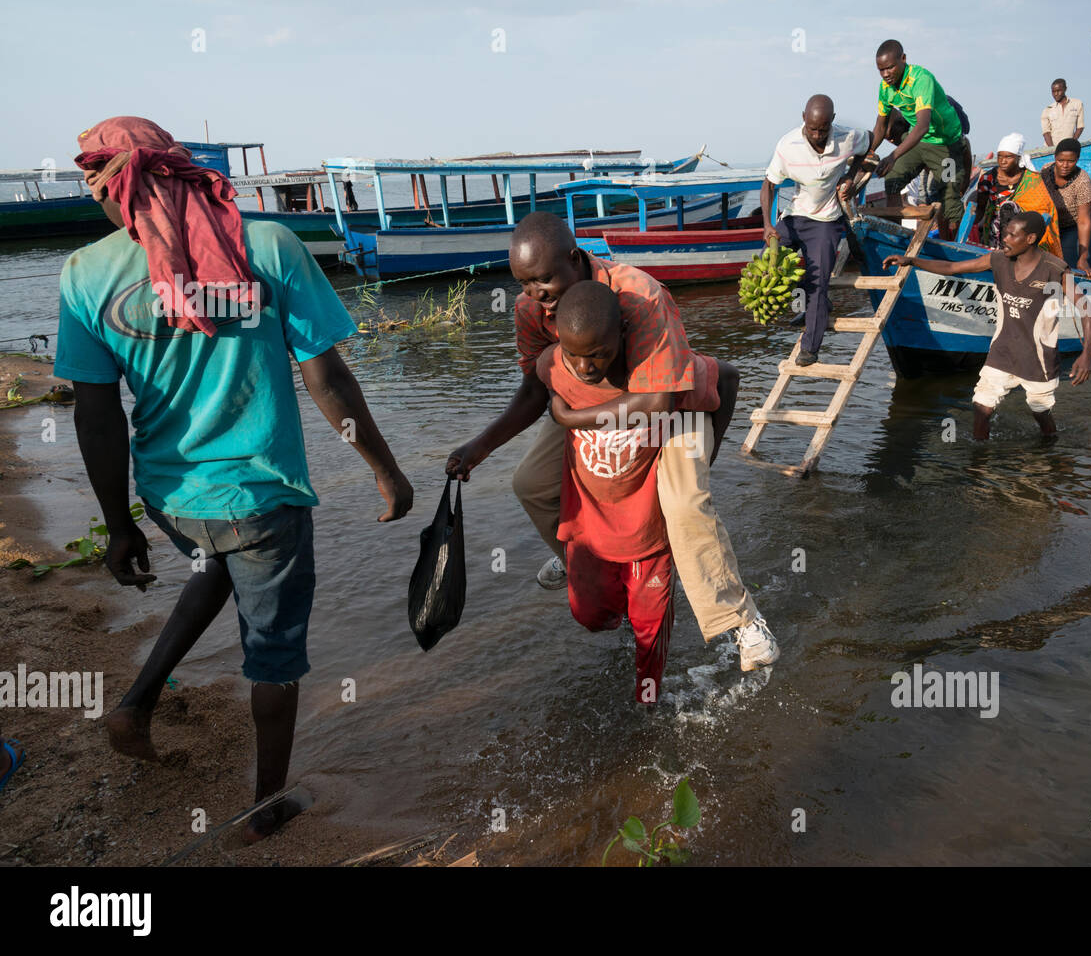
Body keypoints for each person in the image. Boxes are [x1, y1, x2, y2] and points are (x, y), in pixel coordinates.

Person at [54, 117, 414, 844]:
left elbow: (97, 414)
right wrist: (386, 470)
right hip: (261, 496)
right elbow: (328, 378)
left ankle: (137, 701)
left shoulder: (82, 275)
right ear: (176, 167)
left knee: (214, 562)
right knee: (273, 657)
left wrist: (121, 524)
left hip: (169, 498)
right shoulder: (271, 247)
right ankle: (265, 807)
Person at [444, 212, 779, 672]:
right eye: (524, 284)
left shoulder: (638, 295)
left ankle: (741, 620)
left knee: (682, 504)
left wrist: (571, 416)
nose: (536, 295)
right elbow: (534, 390)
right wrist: (479, 447)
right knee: (531, 484)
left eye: (544, 279)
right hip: (593, 401)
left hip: (671, 408)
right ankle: (583, 561)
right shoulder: (532, 311)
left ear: (575, 258)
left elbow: (661, 399)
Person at [534, 282, 741, 703]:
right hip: (591, 531)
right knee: (588, 615)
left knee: (650, 639)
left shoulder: (659, 379)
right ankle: (623, 613)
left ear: (624, 336)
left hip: (650, 535)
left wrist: (705, 460)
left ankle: (647, 709)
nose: (586, 367)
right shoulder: (554, 369)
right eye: (576, 354)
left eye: (599, 354)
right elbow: (534, 382)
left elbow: (729, 378)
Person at [884, 210, 1091, 440]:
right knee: (982, 408)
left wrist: (1087, 354)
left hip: (1038, 359)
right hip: (1002, 352)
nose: (1005, 239)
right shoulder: (998, 260)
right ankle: (979, 463)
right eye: (1005, 233)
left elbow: (1086, 308)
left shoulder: (1056, 269)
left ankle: (1050, 450)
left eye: (1012, 235)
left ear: (1031, 239)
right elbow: (954, 268)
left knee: (1041, 413)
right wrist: (913, 261)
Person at [760, 94, 870, 366]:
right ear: (803, 119)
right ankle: (807, 301)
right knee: (767, 267)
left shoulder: (846, 137)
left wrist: (851, 174)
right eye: (812, 129)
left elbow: (870, 142)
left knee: (818, 283)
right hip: (795, 217)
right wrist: (767, 225)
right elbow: (768, 185)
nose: (818, 135)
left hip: (827, 222)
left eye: (823, 129)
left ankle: (810, 347)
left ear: (832, 121)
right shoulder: (788, 145)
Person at [861, 39, 968, 241]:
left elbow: (922, 126)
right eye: (881, 70)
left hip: (946, 145)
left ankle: (954, 247)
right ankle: (896, 238)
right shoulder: (885, 88)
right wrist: (866, 154)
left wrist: (892, 155)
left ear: (903, 59)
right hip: (919, 143)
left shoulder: (921, 79)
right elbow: (881, 126)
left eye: (890, 67)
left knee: (949, 199)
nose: (886, 74)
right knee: (891, 180)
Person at [972, 133, 1063, 257]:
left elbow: (1044, 209)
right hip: (994, 229)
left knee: (1008, 207)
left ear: (1018, 158)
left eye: (1008, 157)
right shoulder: (987, 178)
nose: (1003, 161)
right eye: (1000, 156)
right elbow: (981, 208)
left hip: (1023, 230)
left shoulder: (1032, 180)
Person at [1040, 139, 1091, 276]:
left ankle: (1086, 288)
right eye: (1060, 160)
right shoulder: (1045, 171)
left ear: (1077, 159)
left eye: (1071, 161)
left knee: (1073, 261)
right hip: (1054, 221)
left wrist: (1083, 258)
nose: (1065, 165)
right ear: (1055, 158)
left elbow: (1083, 221)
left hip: (1077, 222)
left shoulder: (1082, 181)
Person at [1041, 79, 1084, 147]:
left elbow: (1080, 127)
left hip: (1069, 148)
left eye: (1058, 91)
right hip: (1050, 149)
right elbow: (1046, 133)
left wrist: (1072, 144)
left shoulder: (1077, 104)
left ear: (1065, 89)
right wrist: (1052, 150)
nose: (1056, 94)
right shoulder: (1047, 110)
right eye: (1053, 92)